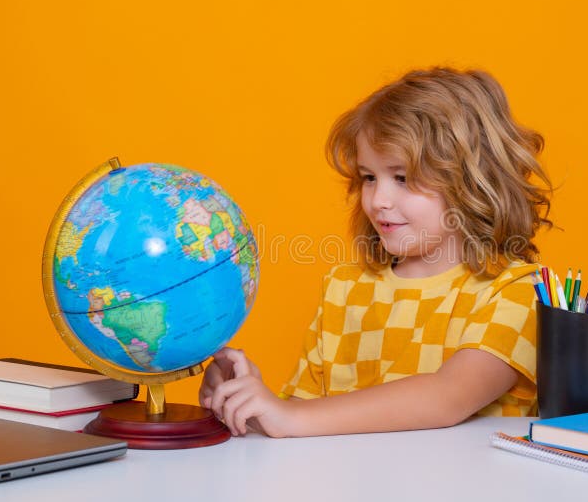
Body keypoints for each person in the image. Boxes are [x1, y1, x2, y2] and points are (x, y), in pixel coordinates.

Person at [199, 67, 552, 437]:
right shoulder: (345, 288)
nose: (379, 200)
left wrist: (291, 418)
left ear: (473, 181)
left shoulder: (515, 291)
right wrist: (251, 403)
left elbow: (448, 397)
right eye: (370, 177)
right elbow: (306, 417)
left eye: (402, 178)